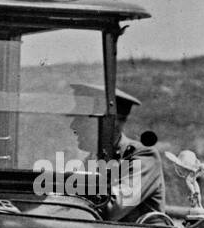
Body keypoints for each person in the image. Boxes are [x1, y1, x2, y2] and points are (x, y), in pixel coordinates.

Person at [68, 86, 164, 221]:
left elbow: (110, 208)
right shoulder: (92, 159)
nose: (73, 126)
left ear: (109, 124)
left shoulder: (143, 156)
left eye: (81, 120)